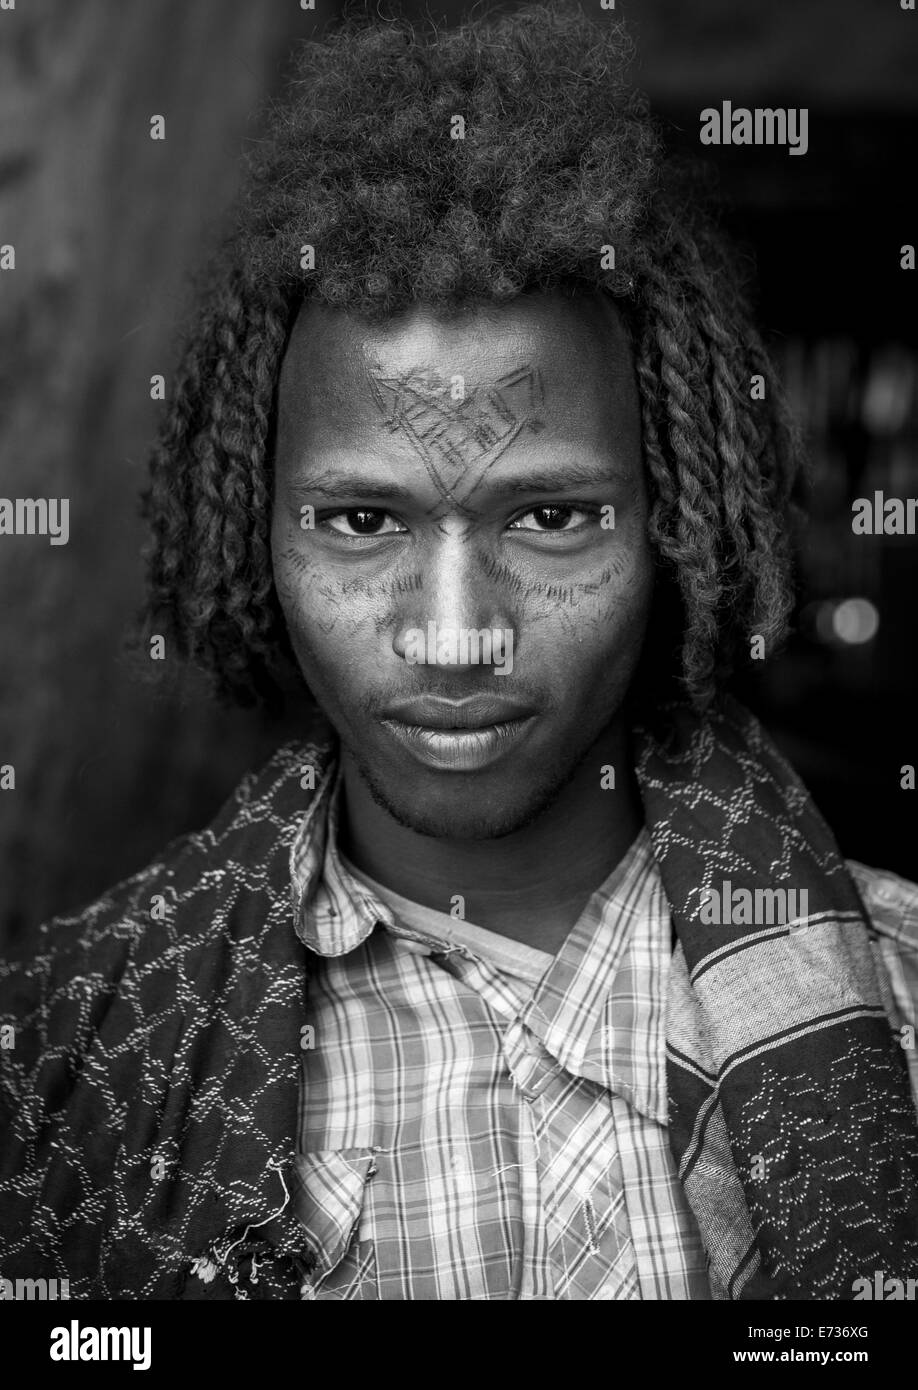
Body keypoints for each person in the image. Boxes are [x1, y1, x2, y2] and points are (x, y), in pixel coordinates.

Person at [1, 6, 916, 1302]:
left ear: (677, 524)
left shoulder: (899, 1004)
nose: (451, 631)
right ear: (248, 528)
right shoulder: (62, 1058)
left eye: (548, 517)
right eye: (362, 520)